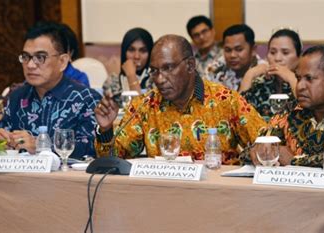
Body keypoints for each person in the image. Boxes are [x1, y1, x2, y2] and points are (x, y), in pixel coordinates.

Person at [94, 35, 266, 165]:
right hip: (162, 197)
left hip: (217, 198)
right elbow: (114, 161)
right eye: (154, 71)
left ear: (190, 65)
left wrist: (250, 155)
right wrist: (106, 129)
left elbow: (266, 142)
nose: (160, 79)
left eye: (168, 68)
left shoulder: (225, 100)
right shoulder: (145, 105)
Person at [0, 22, 100, 159]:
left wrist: (41, 146)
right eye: (26, 57)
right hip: (21, 177)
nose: (30, 65)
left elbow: (92, 148)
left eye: (40, 57)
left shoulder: (86, 99)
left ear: (62, 62)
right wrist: (1, 140)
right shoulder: (16, 97)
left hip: (65, 178)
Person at [239, 29, 301, 121]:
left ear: (299, 57)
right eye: (272, 52)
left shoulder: (305, 81)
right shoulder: (259, 82)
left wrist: (291, 77)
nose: (277, 58)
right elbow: (239, 115)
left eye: (285, 53)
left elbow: (307, 113)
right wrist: (249, 75)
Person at [102, 28, 153, 105]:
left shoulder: (156, 81)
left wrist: (131, 76)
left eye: (143, 50)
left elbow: (141, 111)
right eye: (131, 50)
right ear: (124, 52)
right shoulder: (113, 82)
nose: (136, 56)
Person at [207, 24, 264, 91]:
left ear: (253, 49)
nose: (232, 55)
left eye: (239, 49)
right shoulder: (215, 69)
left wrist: (249, 75)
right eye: (228, 50)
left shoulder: (264, 72)